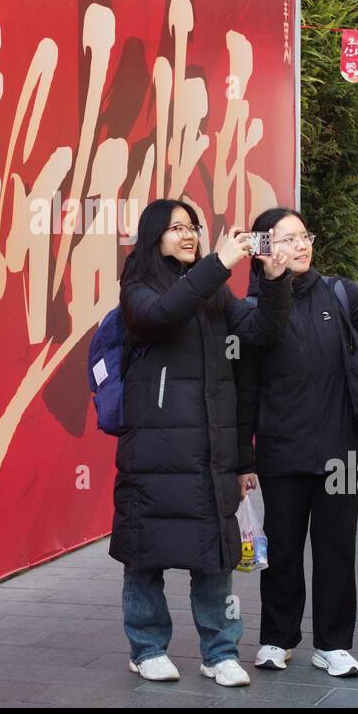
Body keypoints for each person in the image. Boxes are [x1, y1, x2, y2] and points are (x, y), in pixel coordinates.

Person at [235, 208, 358, 678]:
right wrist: (243, 459)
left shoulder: (336, 292)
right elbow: (245, 393)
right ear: (263, 249)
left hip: (340, 451)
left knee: (336, 549)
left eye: (305, 236)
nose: (302, 246)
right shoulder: (251, 312)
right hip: (281, 454)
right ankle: (277, 639)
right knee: (280, 550)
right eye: (289, 239)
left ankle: (333, 644)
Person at [112, 198, 291, 688]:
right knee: (145, 550)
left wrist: (274, 281)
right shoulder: (138, 287)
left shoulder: (212, 292)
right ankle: (146, 648)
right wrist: (218, 264)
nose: (188, 235)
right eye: (175, 228)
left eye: (192, 226)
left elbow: (260, 330)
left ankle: (219, 651)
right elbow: (163, 313)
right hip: (154, 451)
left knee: (215, 553)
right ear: (154, 238)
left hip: (210, 447)